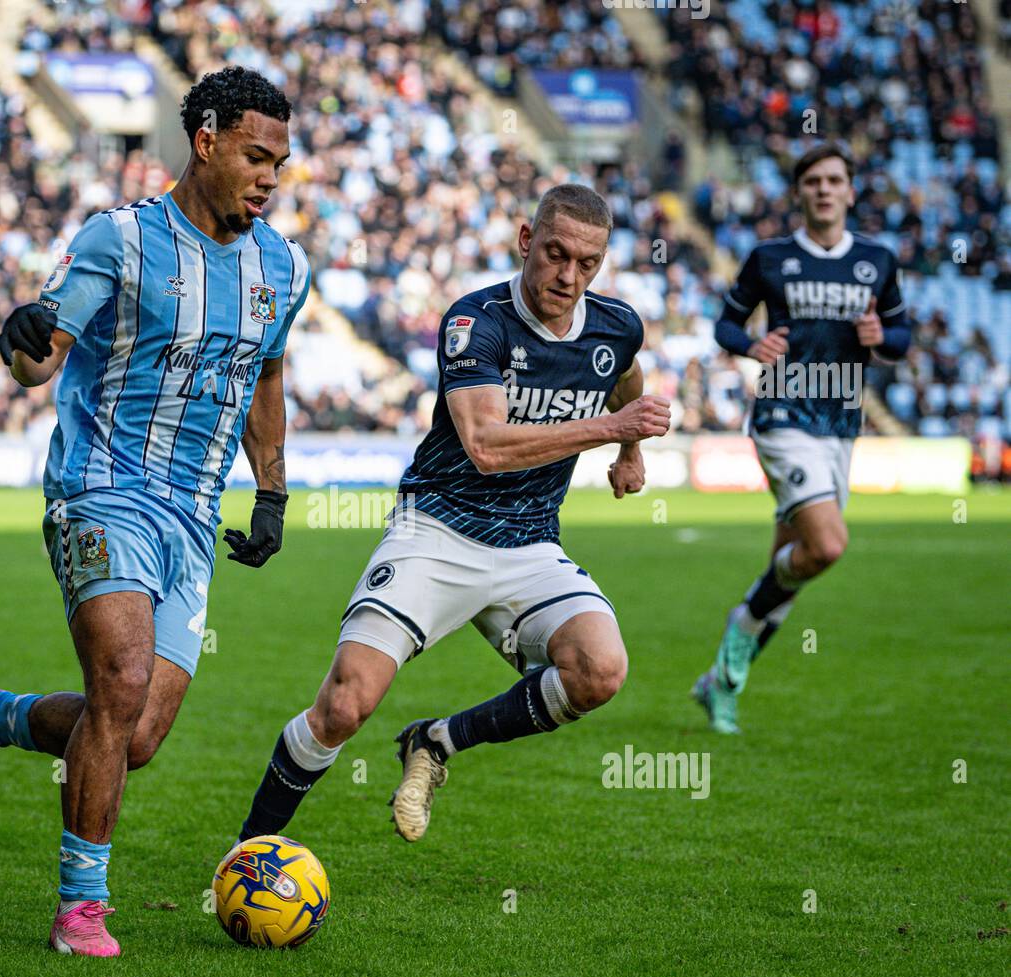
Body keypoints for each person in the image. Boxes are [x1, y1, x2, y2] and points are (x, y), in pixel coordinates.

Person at [0, 67, 311, 956]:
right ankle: (81, 907)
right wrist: (19, 345)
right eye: (256, 156)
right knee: (121, 681)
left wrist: (276, 491)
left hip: (192, 516)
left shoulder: (282, 266)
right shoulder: (120, 239)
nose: (269, 178)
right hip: (102, 490)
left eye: (281, 164)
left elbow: (269, 377)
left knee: (133, 735)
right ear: (205, 141)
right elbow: (40, 355)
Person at [233, 183, 671, 845]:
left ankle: (436, 742)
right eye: (556, 254)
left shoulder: (616, 326)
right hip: (435, 529)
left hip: (529, 544)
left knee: (600, 669)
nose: (569, 275)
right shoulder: (477, 321)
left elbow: (626, 375)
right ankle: (248, 851)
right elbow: (488, 446)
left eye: (588, 264)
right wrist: (609, 428)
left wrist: (629, 452)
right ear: (527, 241)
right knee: (345, 703)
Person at [694, 144, 912, 733]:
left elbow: (901, 336)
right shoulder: (769, 257)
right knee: (827, 547)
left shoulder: (876, 260)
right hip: (783, 417)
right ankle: (738, 634)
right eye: (812, 180)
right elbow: (725, 323)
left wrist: (880, 335)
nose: (823, 189)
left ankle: (721, 684)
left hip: (842, 423)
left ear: (850, 191)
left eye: (834, 180)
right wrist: (749, 346)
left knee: (790, 572)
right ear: (800, 192)